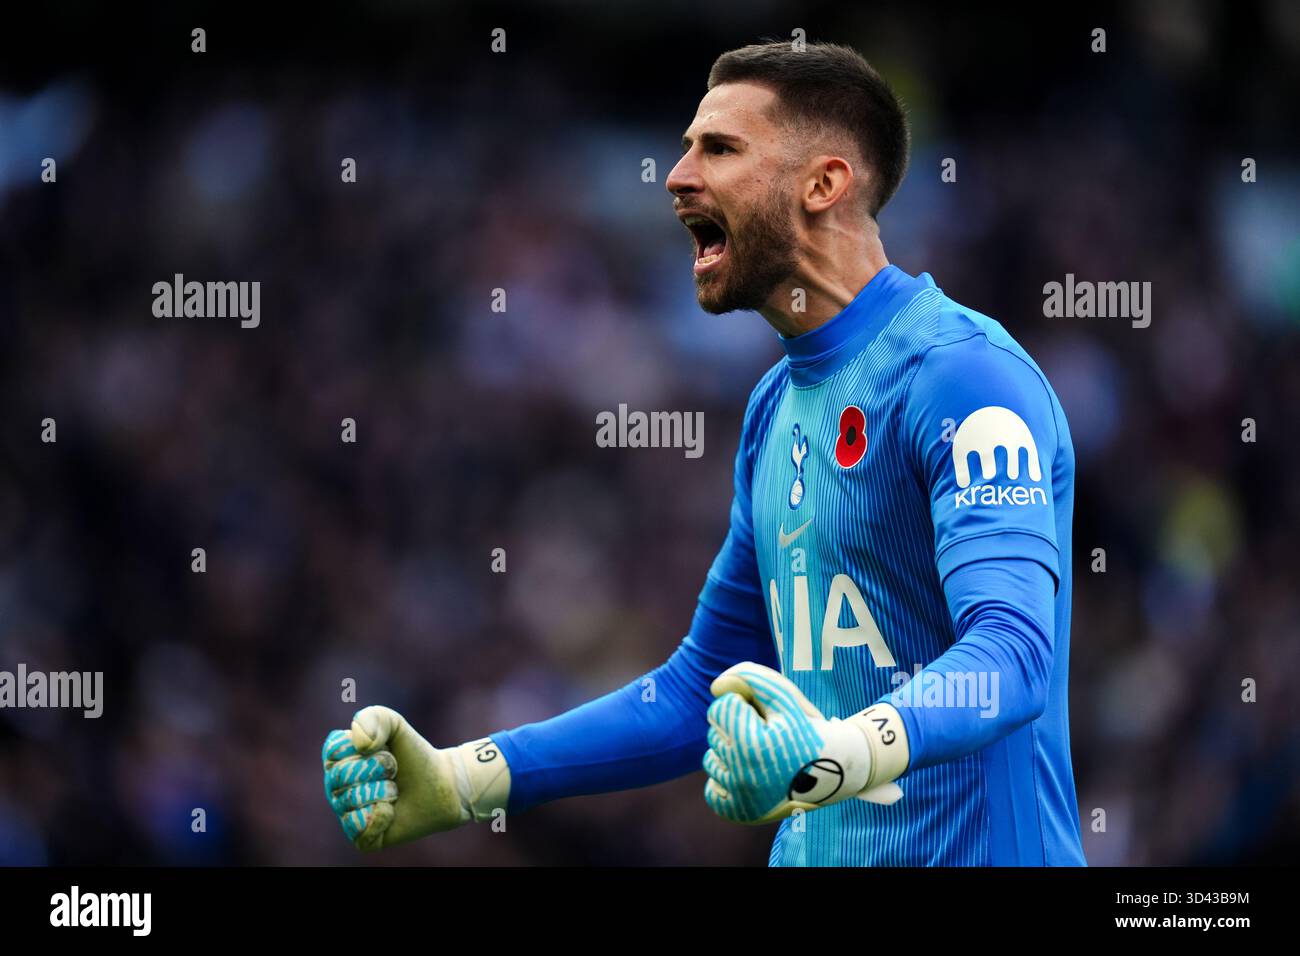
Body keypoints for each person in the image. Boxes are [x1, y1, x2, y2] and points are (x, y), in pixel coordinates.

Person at [321, 39, 1086, 866]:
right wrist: (467, 777)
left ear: (823, 184)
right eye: (687, 146)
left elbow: (1011, 656)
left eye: (718, 148)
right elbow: (699, 687)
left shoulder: (963, 375)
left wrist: (834, 757)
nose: (677, 176)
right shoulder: (773, 410)